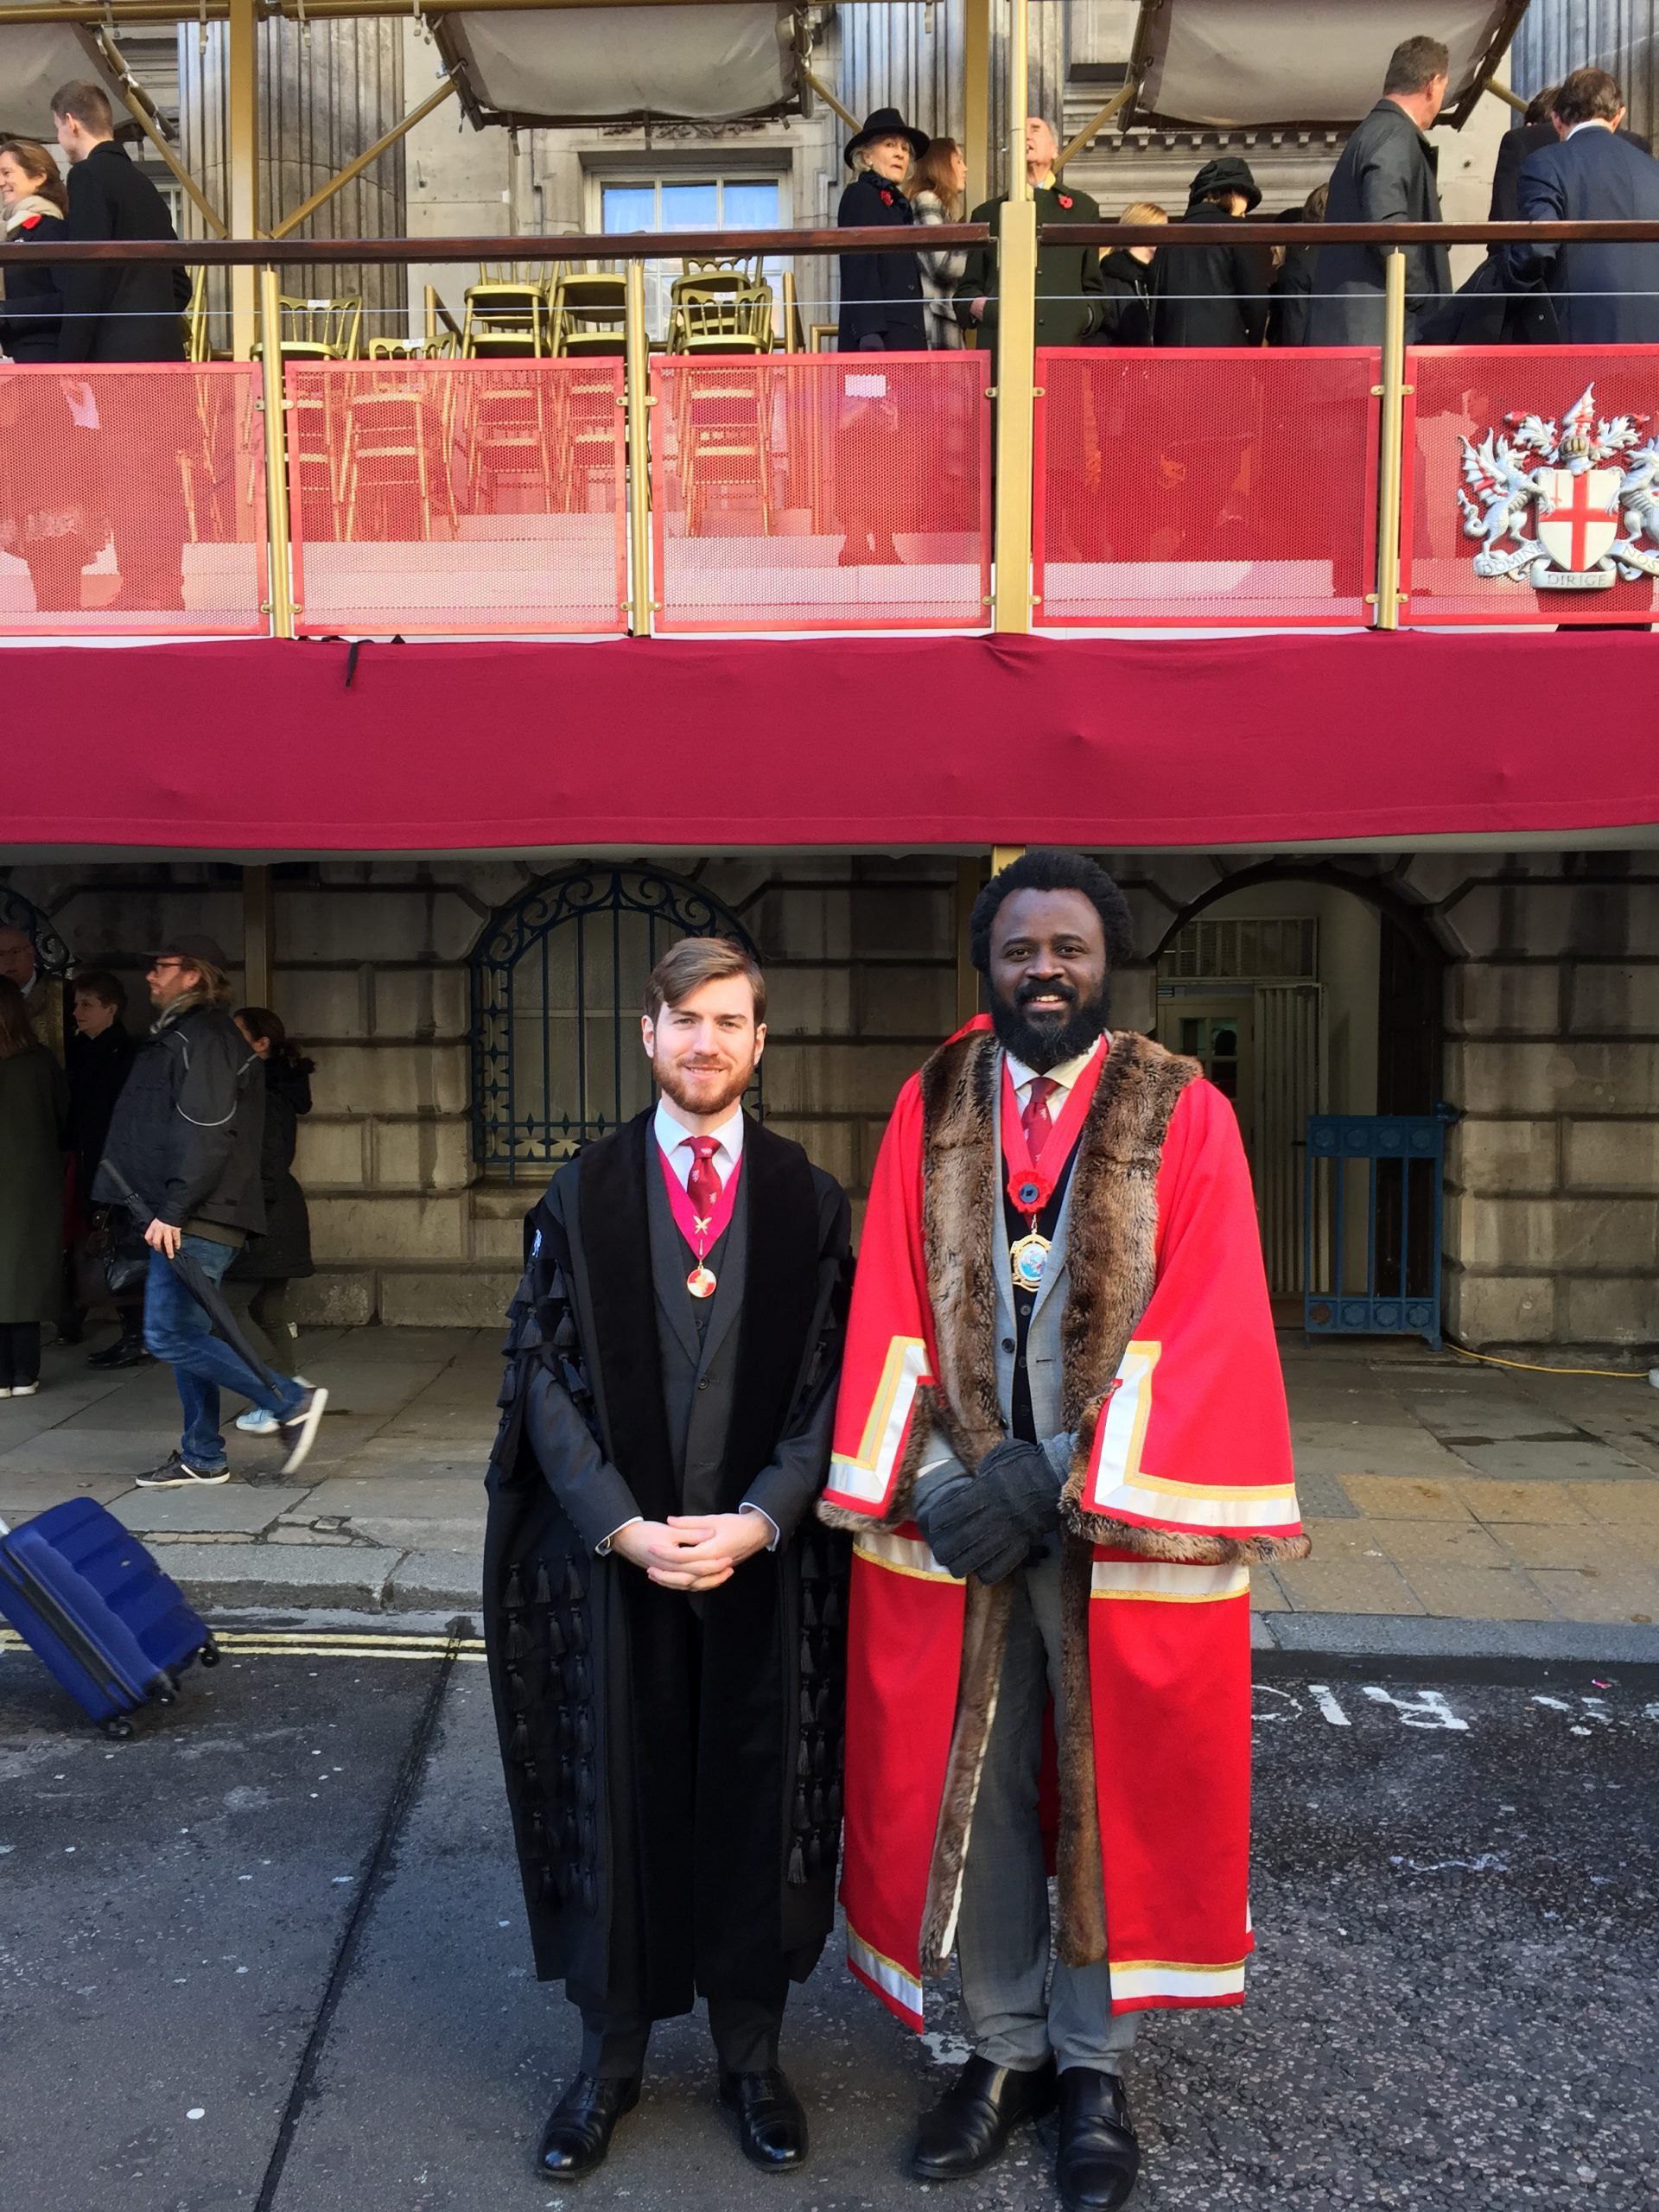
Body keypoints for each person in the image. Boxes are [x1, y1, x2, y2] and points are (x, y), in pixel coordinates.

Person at [820, 849, 1307, 2212]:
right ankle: (1002, 2050)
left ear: (1108, 965)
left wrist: (1066, 1478)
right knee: (983, 1781)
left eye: (1071, 949)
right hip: (972, 1524)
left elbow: (1207, 1316)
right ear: (988, 961)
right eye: (1024, 947)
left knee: (1108, 1788)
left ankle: (1095, 2064)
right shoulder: (930, 1101)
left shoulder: (1182, 1107)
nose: (1047, 969)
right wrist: (940, 1485)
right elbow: (891, 1302)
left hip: (1111, 1525)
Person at [484, 937, 852, 2184]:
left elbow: (839, 1392)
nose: (705, 1042)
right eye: (683, 1019)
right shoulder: (579, 1196)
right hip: (618, 1564)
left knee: (759, 1806)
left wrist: (760, 1520)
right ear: (647, 1036)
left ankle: (752, 2059)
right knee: (620, 1800)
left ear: (761, 1044)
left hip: (764, 1561)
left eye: (730, 1022)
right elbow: (539, 1379)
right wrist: (622, 1526)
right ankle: (612, 2061)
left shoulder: (813, 1203)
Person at [92, 933, 328, 1487]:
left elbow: (207, 1132)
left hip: (196, 1213)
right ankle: (202, 1454)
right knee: (187, 1335)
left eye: (162, 966)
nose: (150, 974)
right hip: (187, 1211)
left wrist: (173, 1210)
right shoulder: (187, 1034)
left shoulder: (207, 1037)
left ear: (193, 974)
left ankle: (289, 1400)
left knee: (169, 1335)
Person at [51, 80, 190, 613]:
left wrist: (68, 360)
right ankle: (163, 587)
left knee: (130, 480)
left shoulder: (86, 177)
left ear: (71, 123)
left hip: (118, 360)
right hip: (160, 354)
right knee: (158, 479)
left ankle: (144, 589)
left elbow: (88, 272)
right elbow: (181, 281)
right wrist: (151, 320)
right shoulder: (142, 184)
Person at [1306, 35, 1451, 345]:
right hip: (1381, 337)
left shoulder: (1375, 131)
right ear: (1432, 84)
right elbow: (1387, 224)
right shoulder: (1394, 134)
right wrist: (1422, 294)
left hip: (1359, 331)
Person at [1504, 66, 1659, 342]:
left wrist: (1506, 289)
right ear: (1619, 115)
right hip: (1651, 340)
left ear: (1555, 119)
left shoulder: (1544, 163)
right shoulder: (1653, 170)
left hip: (1577, 338)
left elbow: (1536, 247)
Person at [227, 1007, 316, 1431]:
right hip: (275, 1212)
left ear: (261, 1044)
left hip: (264, 1215)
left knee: (224, 1312)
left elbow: (266, 1162)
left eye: (237, 1035)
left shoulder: (263, 1093)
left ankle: (278, 1397)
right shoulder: (264, 1087)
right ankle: (290, 1389)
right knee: (267, 1309)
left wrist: (243, 1217)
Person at [956, 119, 1105, 346]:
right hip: (1002, 347)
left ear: (1055, 149)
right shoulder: (987, 212)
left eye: (1035, 130)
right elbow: (967, 289)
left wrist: (1081, 316)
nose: (1026, 137)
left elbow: (1094, 288)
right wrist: (982, 307)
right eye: (1019, 133)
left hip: (1061, 348)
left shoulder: (1083, 209)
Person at [66, 969, 145, 1369]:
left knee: (119, 1250)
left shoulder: (123, 1054)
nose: (77, 1011)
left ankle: (135, 1335)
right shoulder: (81, 1049)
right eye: (76, 1003)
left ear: (110, 1009)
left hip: (115, 1168)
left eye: (86, 1005)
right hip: (88, 1163)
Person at [0, 977, 68, 1400]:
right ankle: (24, 1371)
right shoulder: (41, 1061)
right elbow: (62, 1118)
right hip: (34, 1181)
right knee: (23, 1276)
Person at [1149, 156, 1271, 346]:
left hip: (1173, 361)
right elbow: (1256, 303)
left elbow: (1156, 309)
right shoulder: (1237, 232)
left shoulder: (1167, 241)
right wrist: (1252, 349)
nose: (1245, 213)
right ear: (1232, 193)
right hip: (1224, 361)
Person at [836, 107, 929, 353]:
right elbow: (859, 265)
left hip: (904, 336)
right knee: (870, 394)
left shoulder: (897, 204)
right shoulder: (861, 194)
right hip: (878, 340)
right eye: (890, 145)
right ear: (867, 157)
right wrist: (868, 332)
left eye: (905, 149)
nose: (900, 154)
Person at [0, 137, 67, 360]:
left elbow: (69, 298)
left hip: (42, 355)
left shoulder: (51, 228)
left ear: (39, 176)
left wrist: (7, 312)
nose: (1, 182)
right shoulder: (11, 231)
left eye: (7, 173)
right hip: (14, 354)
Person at [911, 137, 969, 349]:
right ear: (941, 165)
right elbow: (941, 264)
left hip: (944, 319)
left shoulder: (938, 206)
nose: (965, 168)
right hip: (936, 325)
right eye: (959, 160)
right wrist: (983, 257)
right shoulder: (927, 199)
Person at [1094, 201, 1166, 346]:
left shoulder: (1158, 276)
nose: (1169, 240)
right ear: (1145, 233)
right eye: (1164, 231)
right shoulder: (1110, 278)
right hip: (1120, 364)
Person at [1267, 182, 1328, 346]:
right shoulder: (1367, 259)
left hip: (1315, 364)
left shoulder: (1299, 268)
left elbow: (1294, 336)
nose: (1274, 261)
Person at [0, 922, 64, 1062]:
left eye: (16, 952)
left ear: (31, 953)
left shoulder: (67, 993)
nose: (9, 961)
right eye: (0, 954)